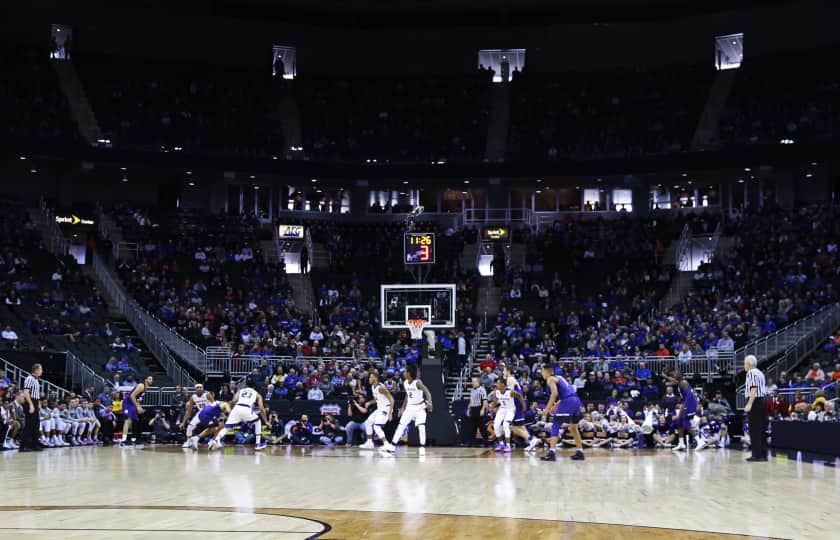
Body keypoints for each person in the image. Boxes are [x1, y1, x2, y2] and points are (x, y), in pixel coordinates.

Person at [381, 364, 432, 454]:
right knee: (401, 426)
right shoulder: (405, 383)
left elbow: (427, 392)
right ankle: (392, 446)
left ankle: (422, 448)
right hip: (410, 408)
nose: (403, 373)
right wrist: (402, 408)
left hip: (420, 407)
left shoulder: (417, 383)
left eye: (405, 371)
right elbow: (407, 396)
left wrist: (430, 402)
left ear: (409, 373)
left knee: (421, 427)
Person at [539, 365, 584, 461]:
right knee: (573, 427)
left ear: (547, 372)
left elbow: (554, 394)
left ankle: (551, 453)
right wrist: (556, 405)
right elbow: (569, 391)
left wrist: (547, 409)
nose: (541, 374)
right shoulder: (559, 377)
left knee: (555, 425)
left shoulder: (550, 379)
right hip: (576, 400)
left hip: (568, 401)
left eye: (542, 372)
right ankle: (580, 452)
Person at [209, 380, 268, 451]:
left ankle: (216, 440)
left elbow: (233, 401)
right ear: (254, 387)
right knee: (257, 421)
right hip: (247, 409)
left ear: (246, 385)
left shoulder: (240, 391)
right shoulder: (257, 394)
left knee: (227, 427)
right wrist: (266, 421)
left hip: (237, 408)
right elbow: (261, 408)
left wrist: (231, 411)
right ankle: (258, 444)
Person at [661, 371, 698, 452]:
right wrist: (665, 377)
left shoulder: (683, 383)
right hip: (686, 403)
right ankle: (681, 444)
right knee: (679, 422)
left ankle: (699, 441)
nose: (674, 375)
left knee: (685, 423)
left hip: (690, 403)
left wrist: (684, 406)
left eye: (676, 374)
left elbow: (689, 396)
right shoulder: (679, 382)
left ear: (681, 375)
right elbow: (673, 381)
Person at [360, 371, 394, 449]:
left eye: (370, 377)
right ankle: (369, 442)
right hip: (380, 408)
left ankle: (387, 445)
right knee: (368, 423)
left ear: (375, 378)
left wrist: (390, 413)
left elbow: (392, 399)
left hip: (386, 408)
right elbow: (377, 399)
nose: (369, 379)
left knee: (376, 427)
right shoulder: (373, 387)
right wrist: (370, 402)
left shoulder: (381, 388)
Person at [743, 354, 768, 462]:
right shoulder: (760, 373)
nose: (744, 366)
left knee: (755, 429)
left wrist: (749, 404)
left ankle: (756, 455)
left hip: (755, 402)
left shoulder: (751, 372)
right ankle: (763, 454)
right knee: (761, 429)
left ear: (749, 364)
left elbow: (754, 388)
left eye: (744, 363)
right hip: (762, 401)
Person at [489, 378, 521, 453]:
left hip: (510, 409)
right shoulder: (495, 392)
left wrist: (523, 407)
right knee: (496, 425)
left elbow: (520, 397)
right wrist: (491, 411)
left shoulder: (510, 392)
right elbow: (494, 402)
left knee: (505, 425)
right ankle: (501, 444)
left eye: (498, 383)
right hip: (502, 409)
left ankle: (508, 445)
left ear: (503, 384)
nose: (496, 385)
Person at [122, 375, 152, 446]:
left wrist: (139, 406)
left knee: (134, 420)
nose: (151, 380)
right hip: (127, 403)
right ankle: (123, 440)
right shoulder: (141, 386)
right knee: (127, 420)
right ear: (145, 380)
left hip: (132, 403)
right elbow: (132, 396)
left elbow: (136, 398)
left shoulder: (146, 388)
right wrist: (137, 407)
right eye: (149, 379)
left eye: (152, 379)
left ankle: (133, 439)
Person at [21, 363, 43, 452]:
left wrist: (38, 403)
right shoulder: (29, 378)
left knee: (36, 425)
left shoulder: (36, 380)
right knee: (29, 425)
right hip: (30, 402)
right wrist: (31, 404)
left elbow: (36, 394)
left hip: (35, 401)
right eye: (41, 369)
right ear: (36, 370)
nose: (42, 371)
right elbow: (26, 392)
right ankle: (23, 446)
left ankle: (34, 444)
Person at [463, 376, 490, 446]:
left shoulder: (482, 389)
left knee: (482, 427)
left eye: (474, 381)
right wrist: (469, 409)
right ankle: (471, 443)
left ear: (478, 382)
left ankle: (486, 442)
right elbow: (471, 401)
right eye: (472, 381)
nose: (472, 383)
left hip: (479, 408)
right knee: (472, 427)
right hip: (473, 409)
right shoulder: (472, 390)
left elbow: (485, 400)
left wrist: (483, 409)